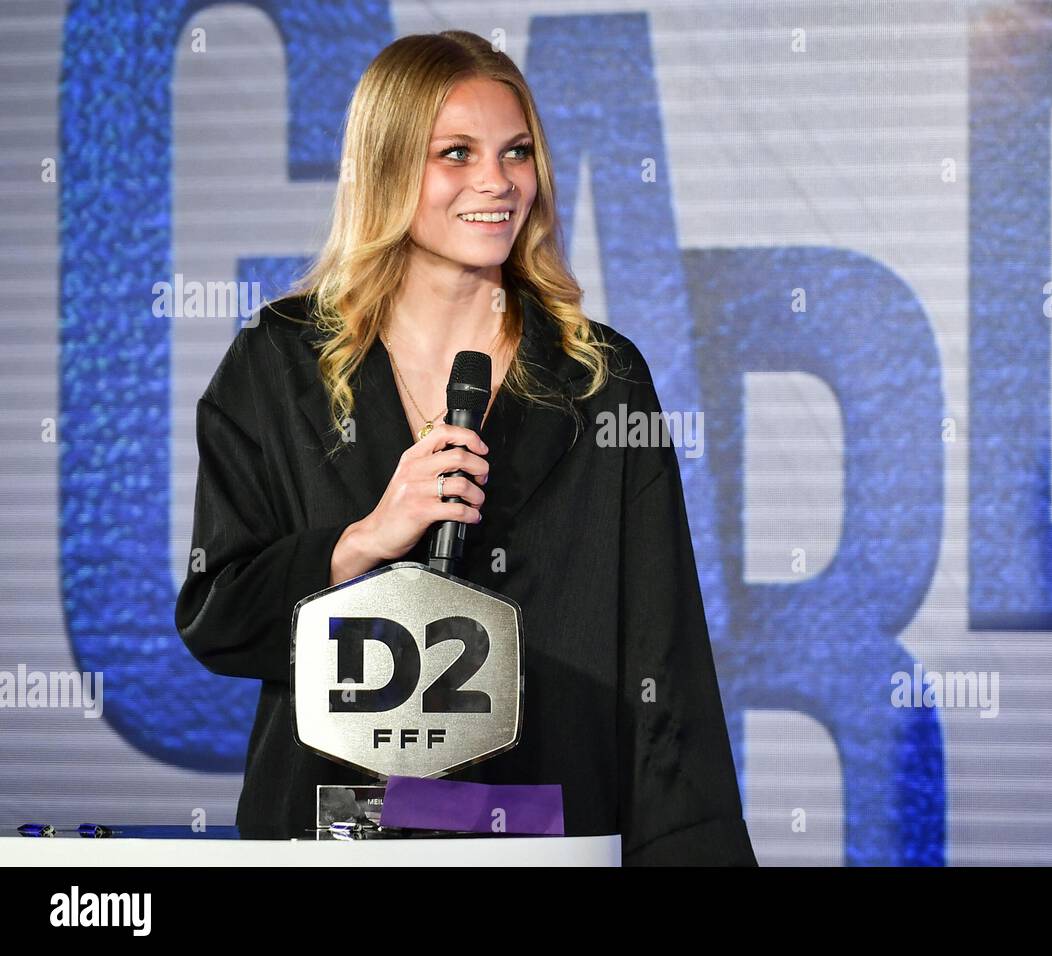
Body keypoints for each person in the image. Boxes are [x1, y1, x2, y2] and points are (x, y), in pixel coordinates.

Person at [173, 30, 756, 866]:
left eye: (516, 152)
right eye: (457, 152)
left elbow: (663, 660)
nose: (497, 181)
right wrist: (362, 541)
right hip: (337, 831)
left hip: (545, 829)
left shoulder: (603, 378)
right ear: (385, 166)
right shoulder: (276, 364)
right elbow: (217, 616)